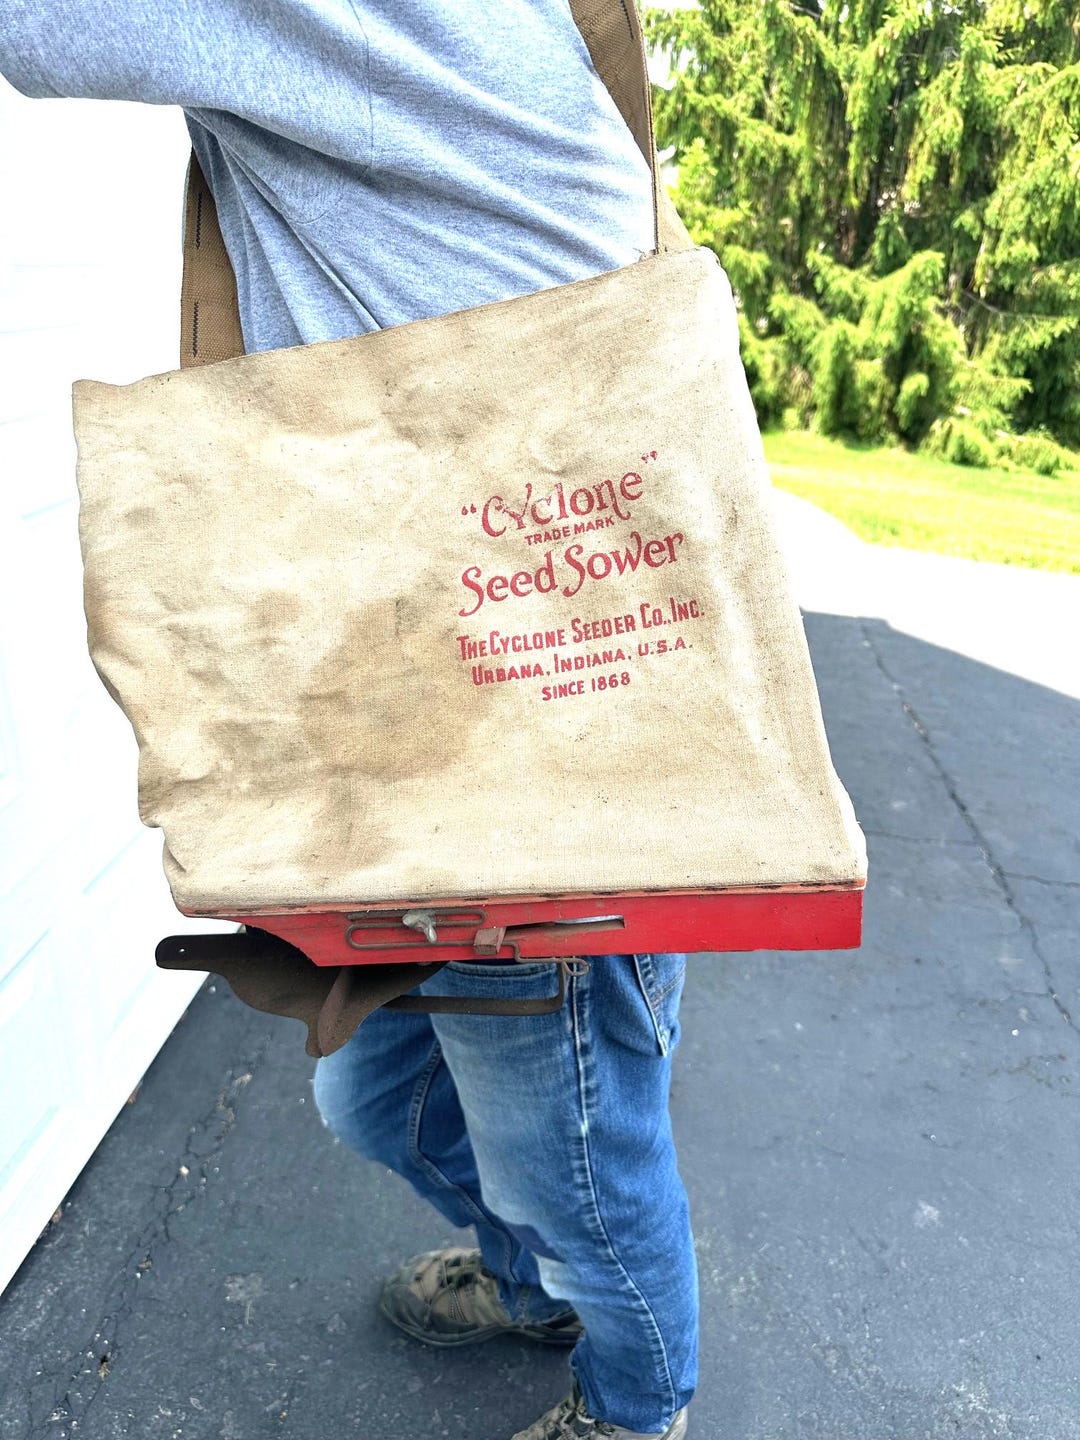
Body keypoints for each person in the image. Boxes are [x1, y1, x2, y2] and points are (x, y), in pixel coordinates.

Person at [0, 3, 698, 1435]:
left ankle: (636, 1405)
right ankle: (539, 1278)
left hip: (518, 757)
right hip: (422, 722)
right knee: (377, 1102)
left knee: (578, 1162)